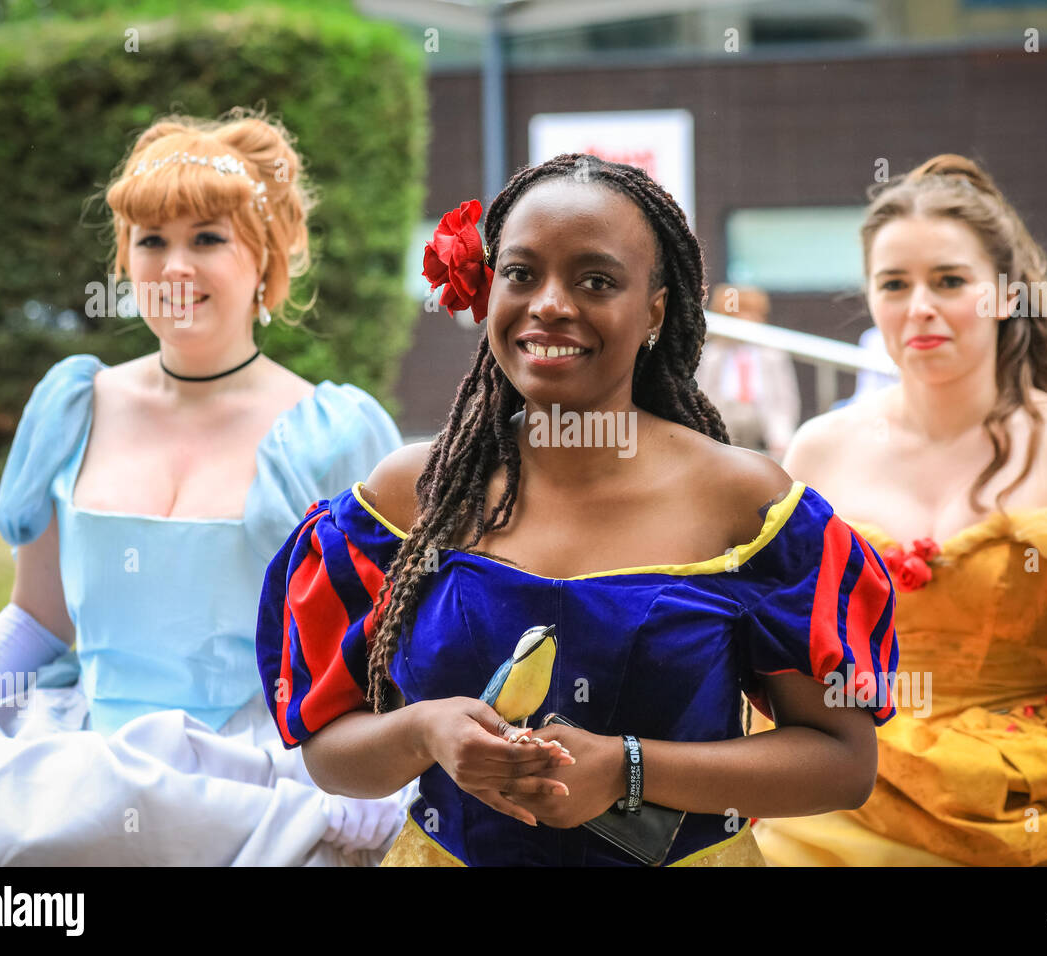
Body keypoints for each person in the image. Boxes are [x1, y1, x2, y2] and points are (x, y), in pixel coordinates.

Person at [255, 154, 899, 867]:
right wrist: (423, 732)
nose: (551, 303)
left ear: (655, 308)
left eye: (596, 280)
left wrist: (630, 769)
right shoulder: (408, 498)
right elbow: (329, 753)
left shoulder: (748, 506)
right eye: (523, 274)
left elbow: (843, 760)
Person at [0, 110, 411, 865]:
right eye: (152, 241)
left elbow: (391, 641)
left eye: (207, 240)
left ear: (264, 259)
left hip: (253, 778)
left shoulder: (332, 431)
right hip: (85, 760)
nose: (174, 269)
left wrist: (377, 786)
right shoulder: (71, 408)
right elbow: (38, 618)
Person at [755, 153, 1047, 866]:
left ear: (1006, 294)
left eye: (949, 281)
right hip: (859, 781)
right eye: (894, 284)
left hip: (1035, 787)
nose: (920, 306)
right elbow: (769, 650)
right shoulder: (818, 449)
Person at [696, 284, 801, 460]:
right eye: (737, 314)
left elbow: (785, 399)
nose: (744, 320)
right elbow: (704, 392)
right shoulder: (714, 354)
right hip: (725, 412)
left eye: (751, 314)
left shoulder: (772, 353)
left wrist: (782, 434)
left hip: (761, 413)